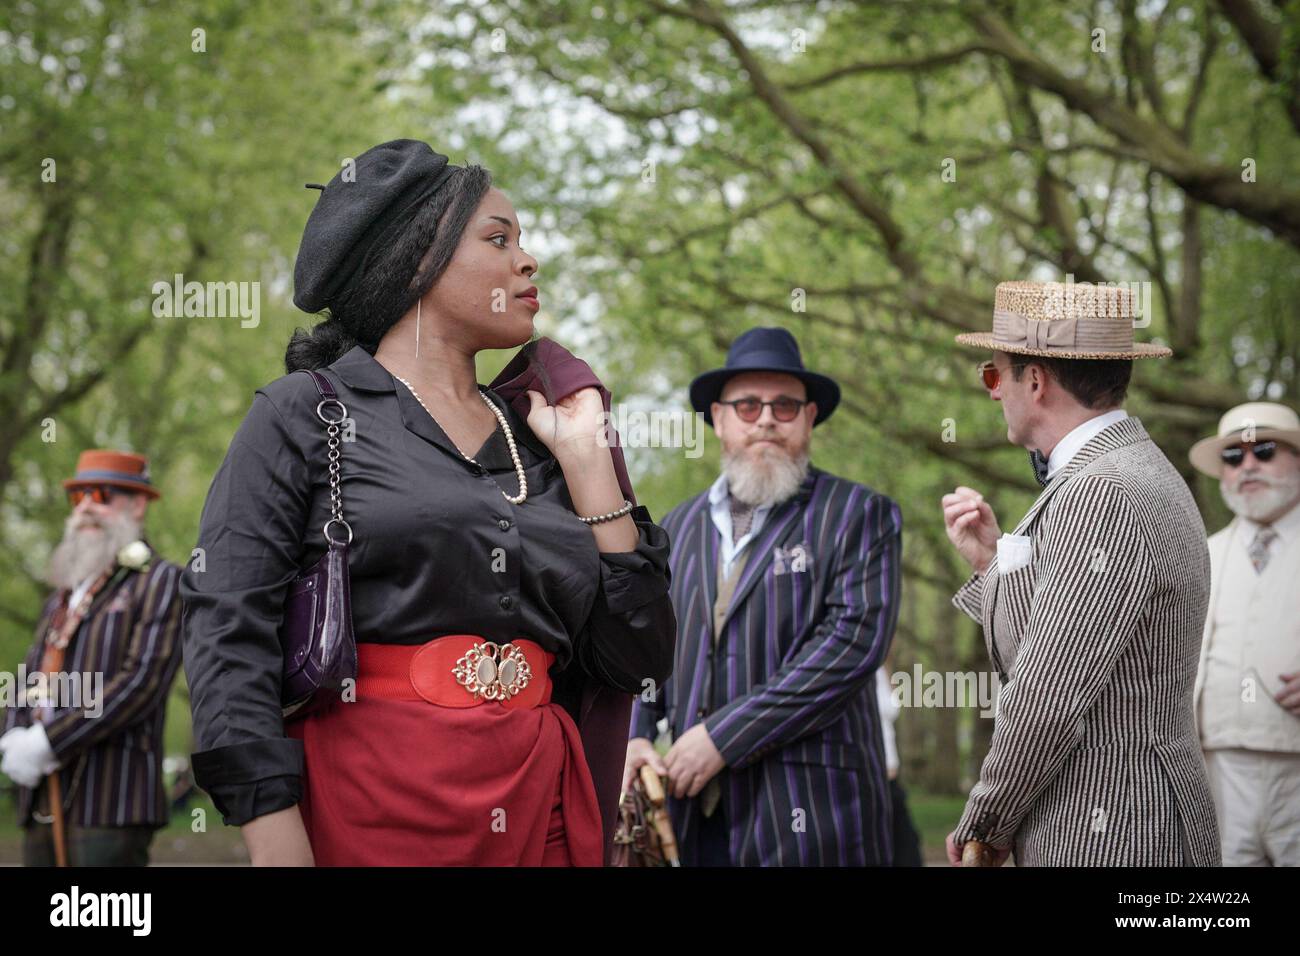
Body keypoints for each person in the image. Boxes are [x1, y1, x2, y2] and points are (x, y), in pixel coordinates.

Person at [179, 139, 677, 866]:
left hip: (542, 800)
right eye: (499, 238)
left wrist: (591, 470)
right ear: (418, 258)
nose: (528, 260)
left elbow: (637, 659)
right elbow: (228, 622)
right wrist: (272, 827)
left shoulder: (542, 440)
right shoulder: (302, 414)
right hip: (369, 797)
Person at [940, 280, 1219, 866]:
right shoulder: (1141, 469)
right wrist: (993, 561)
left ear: (1034, 381)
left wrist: (985, 824)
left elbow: (1046, 696)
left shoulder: (1101, 493)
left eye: (994, 374)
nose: (993, 393)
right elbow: (1051, 656)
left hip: (1113, 830)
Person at [624, 326, 903, 866]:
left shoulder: (860, 515)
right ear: (719, 419)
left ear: (810, 417)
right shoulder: (675, 527)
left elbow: (847, 650)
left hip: (814, 820)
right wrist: (636, 735)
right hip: (692, 820)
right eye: (747, 406)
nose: (767, 419)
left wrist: (721, 738)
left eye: (785, 405)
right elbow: (650, 646)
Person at [0, 450, 183, 866]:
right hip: (41, 797)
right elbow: (30, 674)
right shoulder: (61, 596)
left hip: (111, 799)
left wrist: (49, 741)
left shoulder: (160, 581)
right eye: (78, 495)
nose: (85, 505)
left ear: (137, 504)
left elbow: (141, 684)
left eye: (100, 494)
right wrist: (13, 734)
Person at [1188, 401, 1300, 865]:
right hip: (1217, 771)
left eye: (1265, 450)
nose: (1249, 465)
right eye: (1234, 457)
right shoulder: (1202, 553)